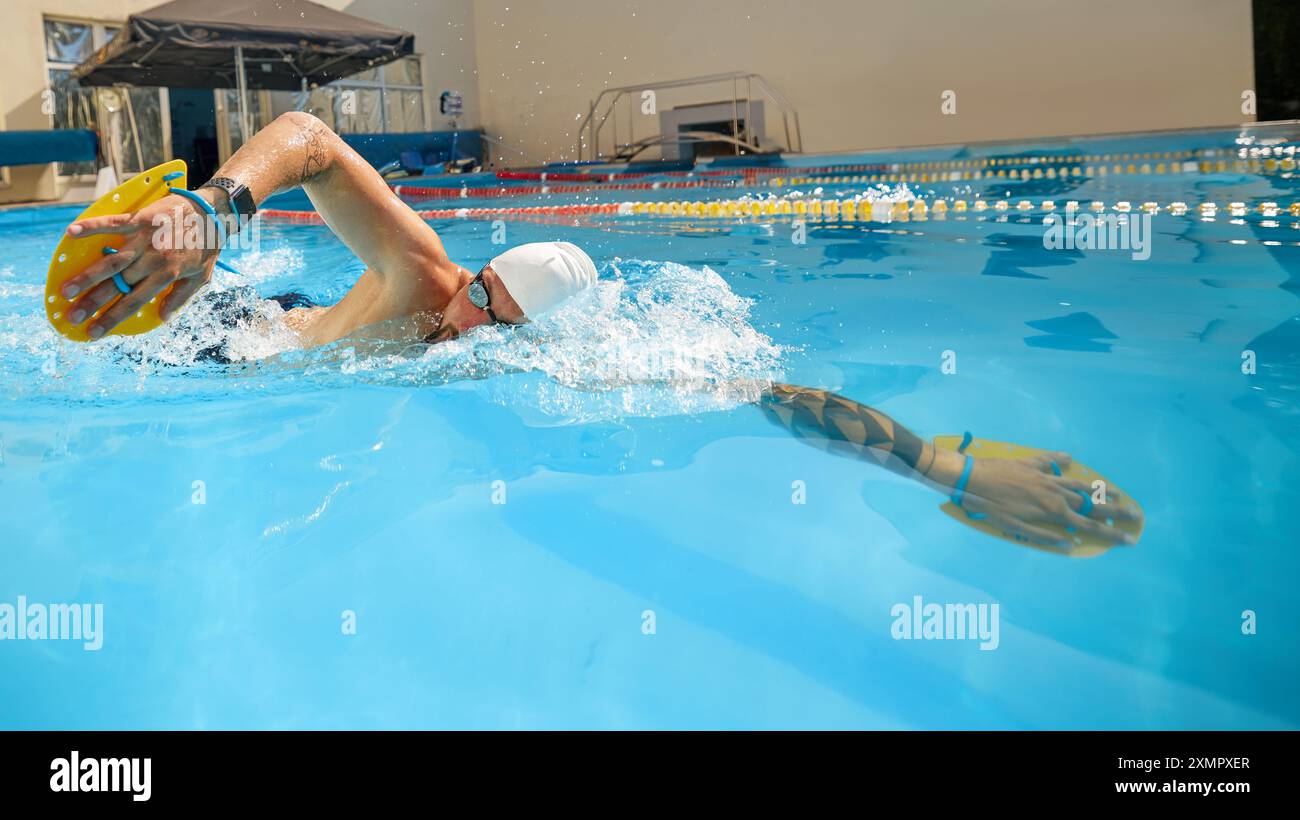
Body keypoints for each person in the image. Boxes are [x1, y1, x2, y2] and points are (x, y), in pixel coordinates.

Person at [55, 112, 1141, 549]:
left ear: (528, 336)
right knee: (176, 312)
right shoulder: (422, 281)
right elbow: (308, 136)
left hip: (280, 357)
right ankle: (181, 245)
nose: (464, 322)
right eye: (479, 293)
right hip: (253, 336)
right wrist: (217, 203)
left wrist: (933, 462)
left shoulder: (539, 353)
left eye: (497, 320)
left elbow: (753, 391)